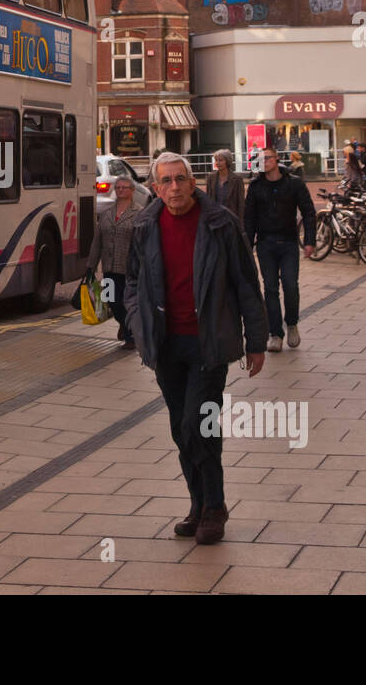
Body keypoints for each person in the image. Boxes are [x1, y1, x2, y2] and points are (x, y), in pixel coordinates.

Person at [124, 152, 267, 546]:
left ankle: (215, 507)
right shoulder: (144, 226)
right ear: (155, 188)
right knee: (180, 428)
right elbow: (132, 283)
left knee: (197, 424)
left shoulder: (221, 223)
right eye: (165, 181)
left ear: (194, 182)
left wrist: (256, 342)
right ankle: (199, 504)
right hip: (166, 345)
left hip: (209, 343)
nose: (174, 188)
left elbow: (246, 285)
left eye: (180, 179)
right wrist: (138, 322)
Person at [242, 147, 316, 352]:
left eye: (267, 158)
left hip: (289, 243)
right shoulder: (256, 187)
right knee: (271, 288)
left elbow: (309, 212)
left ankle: (292, 323)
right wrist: (247, 245)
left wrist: (309, 241)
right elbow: (249, 218)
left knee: (291, 285)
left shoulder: (294, 184)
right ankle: (275, 333)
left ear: (276, 160)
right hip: (266, 244)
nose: (264, 161)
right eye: (261, 159)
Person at [85, 177, 140, 350]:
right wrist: (90, 266)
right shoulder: (107, 213)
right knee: (111, 302)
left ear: (132, 190)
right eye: (118, 188)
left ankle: (131, 335)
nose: (121, 190)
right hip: (109, 268)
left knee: (127, 303)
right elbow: (97, 241)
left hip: (129, 269)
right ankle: (124, 326)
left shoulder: (139, 213)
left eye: (125, 187)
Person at [204, 149, 245, 219]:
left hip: (231, 218)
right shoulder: (211, 178)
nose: (217, 163)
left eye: (221, 160)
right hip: (215, 218)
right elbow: (208, 200)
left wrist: (240, 223)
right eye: (216, 160)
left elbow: (241, 203)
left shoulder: (237, 179)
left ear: (227, 161)